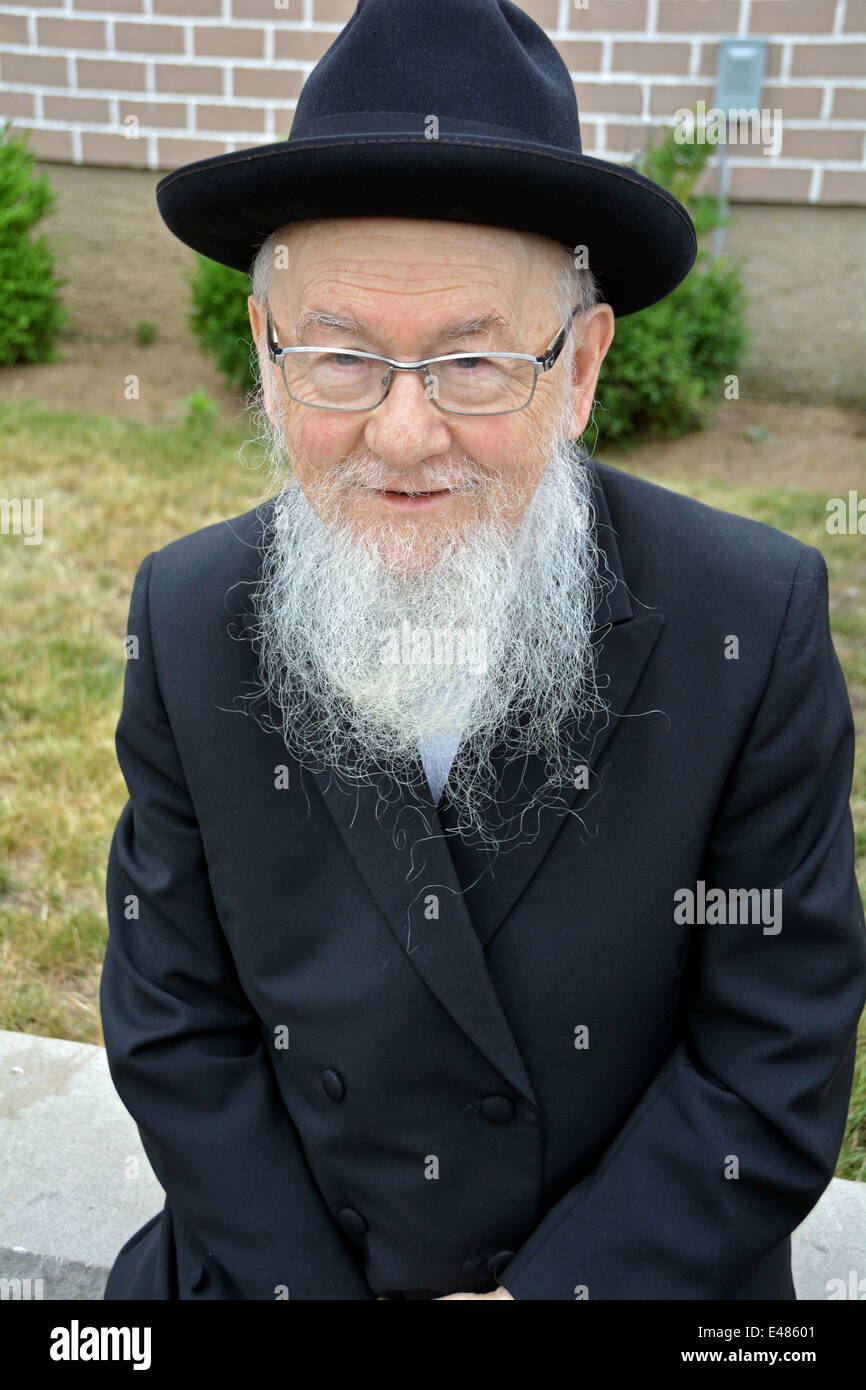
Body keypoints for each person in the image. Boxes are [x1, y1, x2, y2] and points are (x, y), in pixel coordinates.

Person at [100, 0, 866, 1300]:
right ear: (269, 362)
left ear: (577, 369)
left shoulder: (751, 621)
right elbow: (174, 1020)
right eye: (339, 356)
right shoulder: (183, 613)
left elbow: (770, 1057)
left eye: (472, 363)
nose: (402, 437)